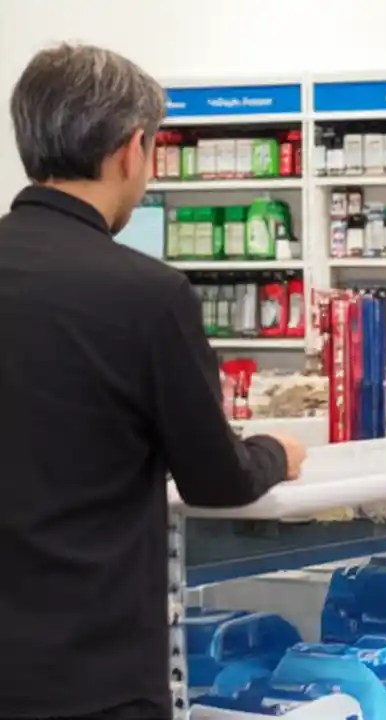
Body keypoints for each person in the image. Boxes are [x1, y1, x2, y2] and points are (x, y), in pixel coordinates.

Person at [0, 43, 307, 718]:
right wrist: (276, 453)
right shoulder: (147, 294)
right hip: (92, 676)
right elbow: (215, 478)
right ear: (131, 150)